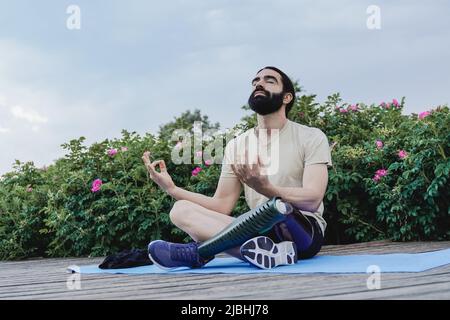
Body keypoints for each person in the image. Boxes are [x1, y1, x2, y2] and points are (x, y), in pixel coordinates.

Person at [142, 66, 332, 270]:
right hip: (257, 230)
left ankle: (199, 253)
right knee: (180, 210)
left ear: (287, 97)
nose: (259, 83)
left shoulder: (311, 137)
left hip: (301, 230)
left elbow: (313, 199)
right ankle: (271, 253)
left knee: (277, 209)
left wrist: (267, 190)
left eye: (269, 80)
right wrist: (172, 189)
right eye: (255, 81)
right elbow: (222, 205)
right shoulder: (237, 145)